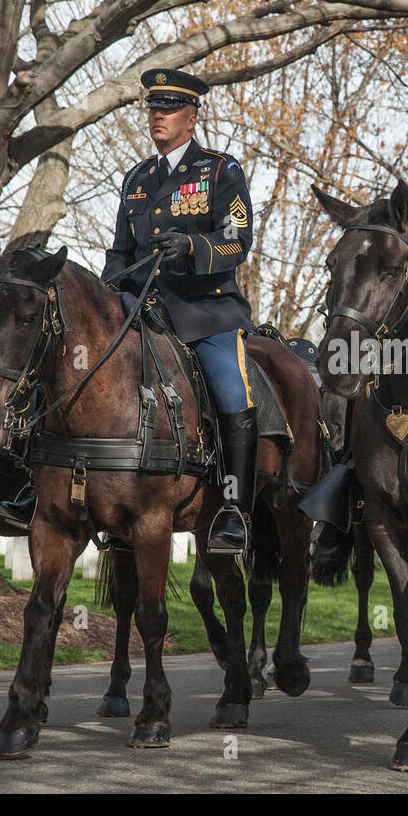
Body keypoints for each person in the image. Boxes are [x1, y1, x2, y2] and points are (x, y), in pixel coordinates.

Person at [101, 68, 259, 554]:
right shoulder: (137, 178)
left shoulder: (220, 170)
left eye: (167, 110)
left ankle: (235, 510)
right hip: (143, 312)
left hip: (205, 314)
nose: (157, 117)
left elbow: (238, 240)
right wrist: (104, 295)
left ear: (191, 119)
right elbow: (120, 252)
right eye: (153, 109)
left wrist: (192, 246)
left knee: (233, 394)